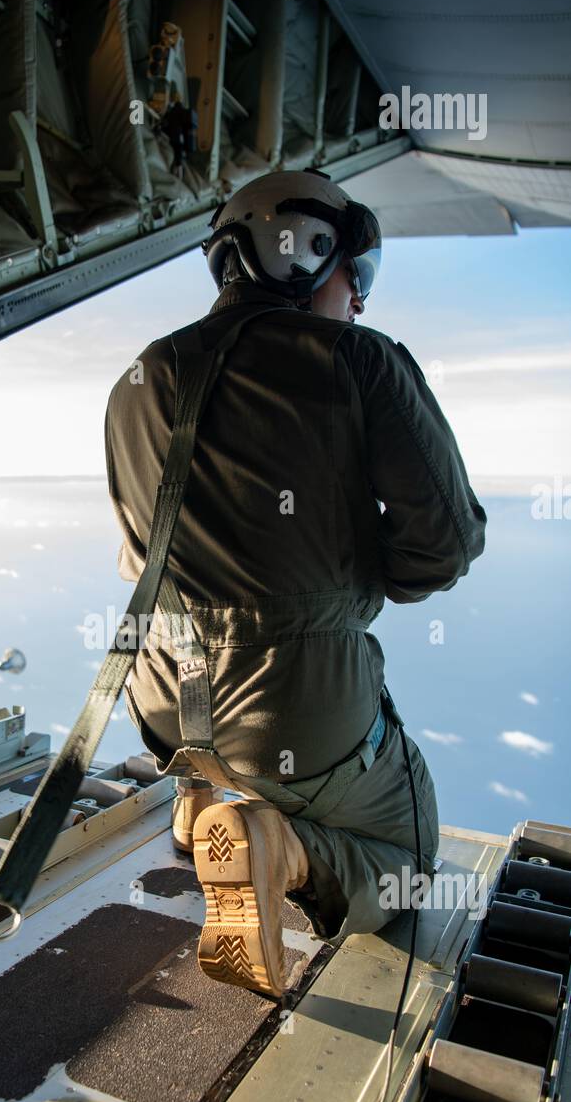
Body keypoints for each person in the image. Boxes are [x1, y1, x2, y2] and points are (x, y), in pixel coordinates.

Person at [104, 169, 487, 998]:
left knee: (243, 756)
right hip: (297, 706)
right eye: (361, 276)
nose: (361, 302)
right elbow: (447, 544)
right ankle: (279, 847)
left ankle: (208, 797)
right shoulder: (359, 361)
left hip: (164, 700)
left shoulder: (134, 381)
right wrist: (355, 570)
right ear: (308, 253)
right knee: (412, 854)